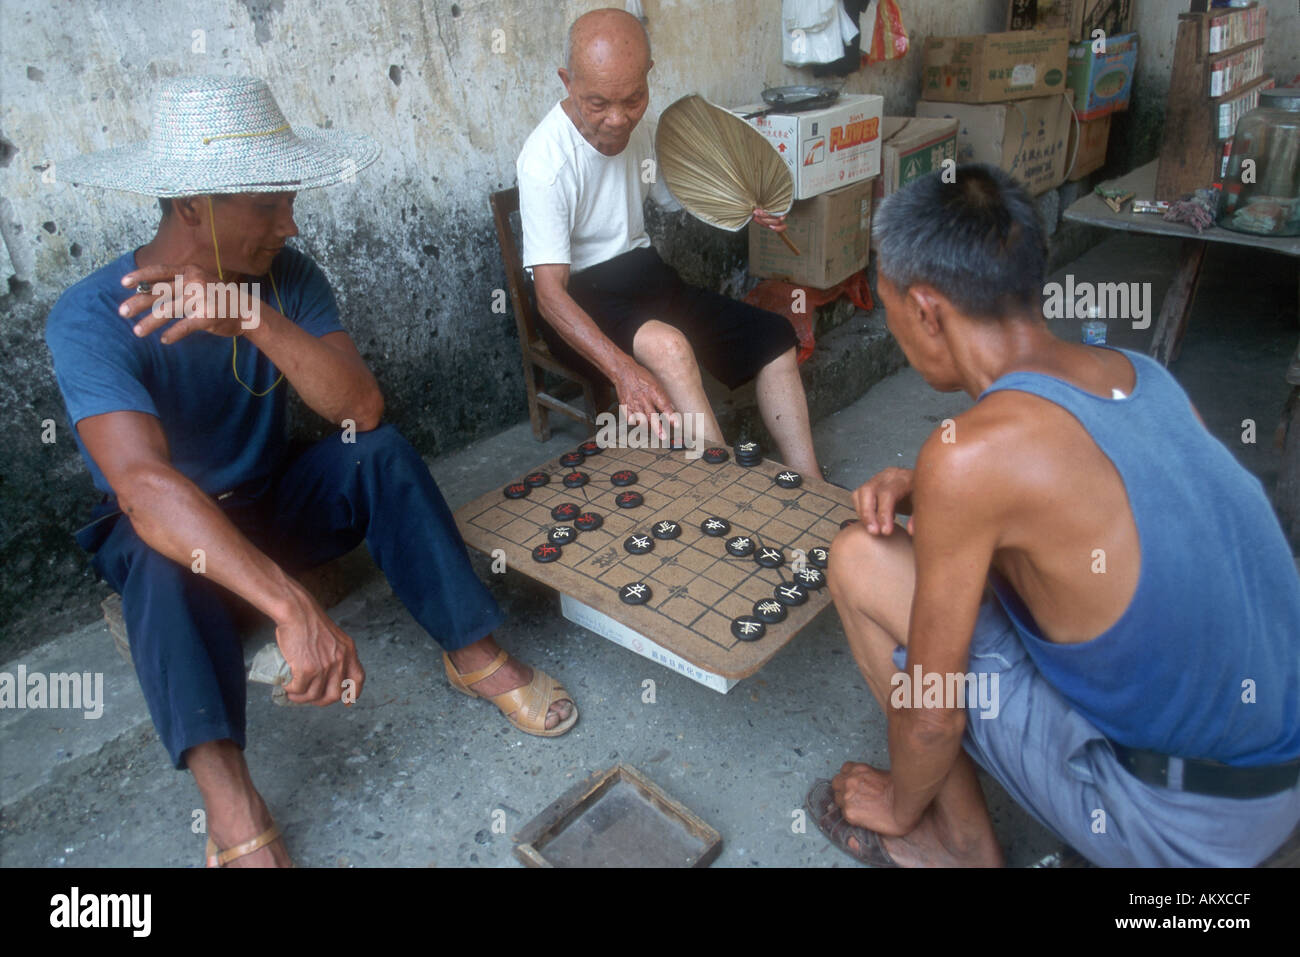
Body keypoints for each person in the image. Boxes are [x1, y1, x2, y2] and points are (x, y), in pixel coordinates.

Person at [46, 75, 576, 868]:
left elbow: (360, 408)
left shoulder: (286, 277)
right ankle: (231, 805)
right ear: (191, 203)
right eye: (266, 205)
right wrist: (292, 606)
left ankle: (472, 652)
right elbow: (144, 488)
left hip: (268, 497)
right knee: (154, 566)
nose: (289, 221)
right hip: (177, 531)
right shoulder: (90, 314)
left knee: (381, 454)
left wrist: (256, 318)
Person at [808, 163, 1300, 867]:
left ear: (923, 309)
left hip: (1183, 833)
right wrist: (932, 488)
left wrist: (896, 798)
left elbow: (933, 713)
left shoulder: (971, 461)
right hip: (1276, 777)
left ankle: (961, 845)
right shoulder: (1140, 374)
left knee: (860, 557)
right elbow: (1100, 492)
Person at [517, 7, 821, 475]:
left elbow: (681, 195)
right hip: (579, 297)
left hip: (644, 274)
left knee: (774, 337)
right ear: (566, 81)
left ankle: (810, 485)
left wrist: (744, 203)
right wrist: (622, 371)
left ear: (648, 77)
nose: (618, 120)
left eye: (633, 99)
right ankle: (730, 495)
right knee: (670, 347)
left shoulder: (645, 128)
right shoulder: (544, 160)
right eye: (598, 104)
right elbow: (549, 294)